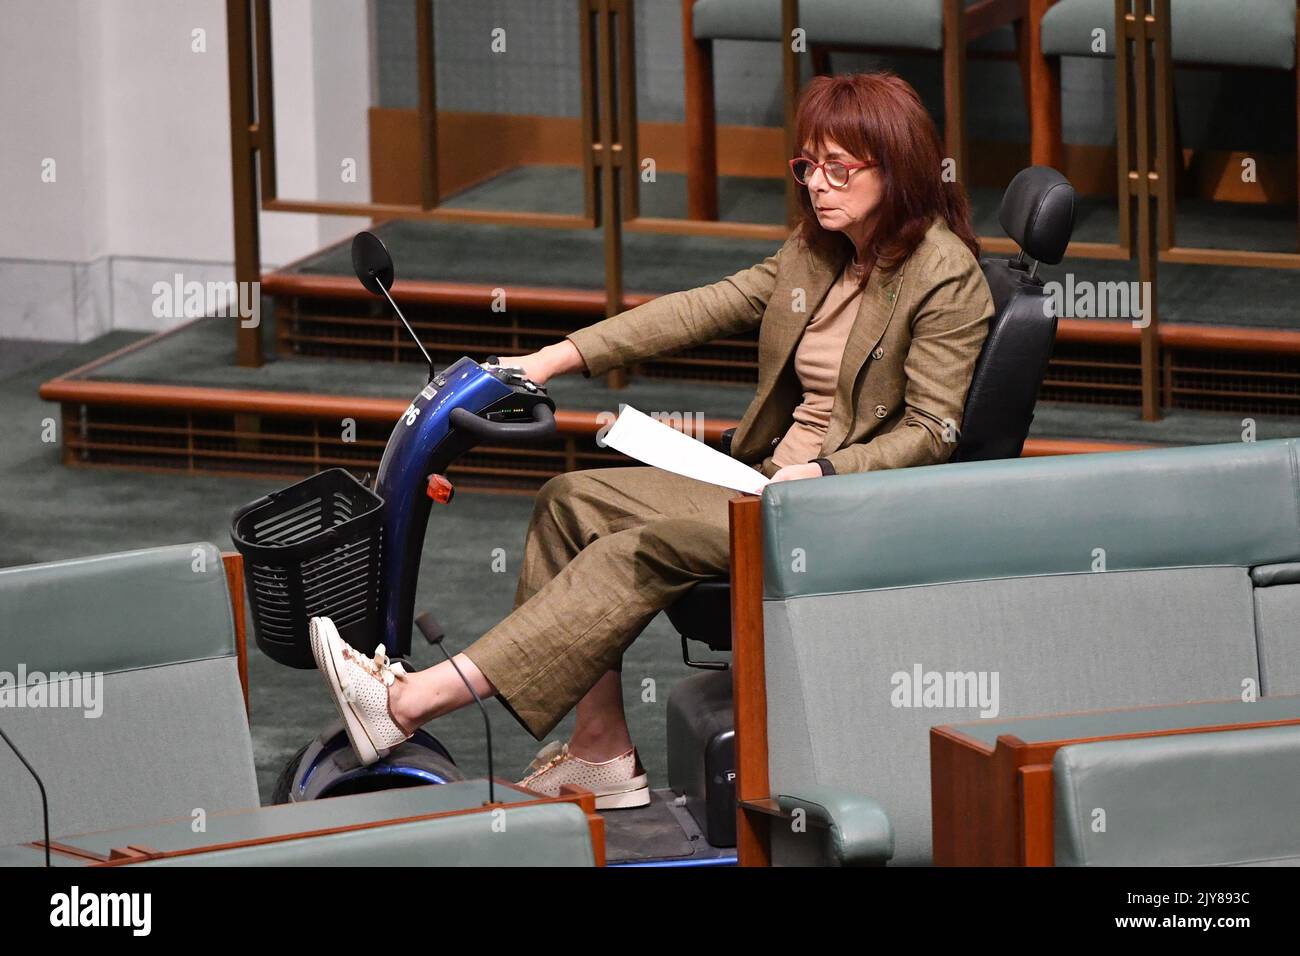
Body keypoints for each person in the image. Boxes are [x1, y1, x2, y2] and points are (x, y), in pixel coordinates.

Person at [309, 71, 994, 809]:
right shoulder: (820, 250)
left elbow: (932, 431)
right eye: (807, 165)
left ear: (896, 165)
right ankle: (602, 751)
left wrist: (827, 472)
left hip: (836, 512)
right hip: (764, 483)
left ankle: (412, 702)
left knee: (635, 548)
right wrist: (553, 358)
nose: (817, 186)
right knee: (570, 501)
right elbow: (704, 307)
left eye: (838, 168)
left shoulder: (944, 276)